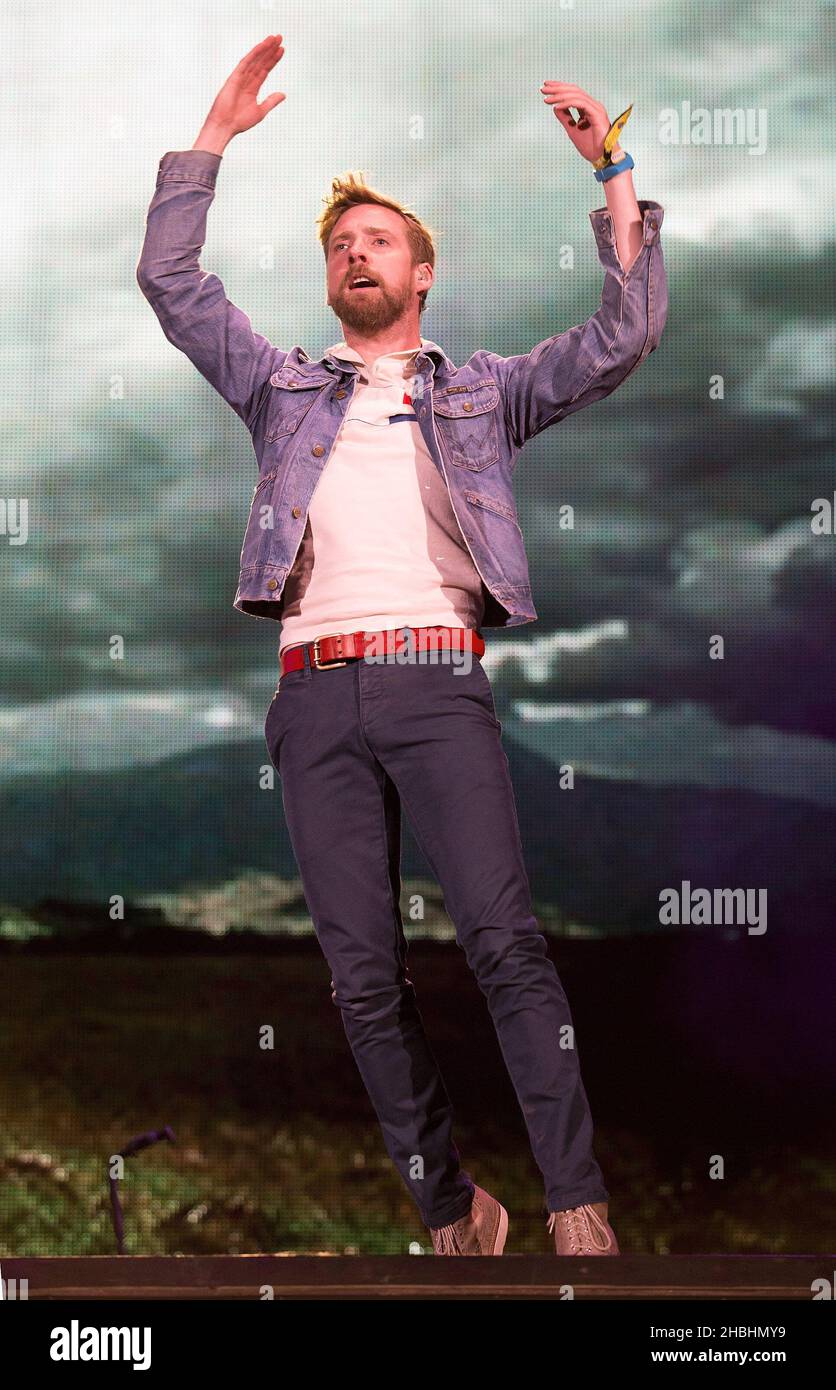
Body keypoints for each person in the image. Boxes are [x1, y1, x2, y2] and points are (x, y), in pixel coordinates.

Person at [136, 35, 668, 1256]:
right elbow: (172, 282)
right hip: (311, 699)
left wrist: (615, 174)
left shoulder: (481, 391)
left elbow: (619, 337)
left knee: (500, 938)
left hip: (435, 682)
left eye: (376, 238)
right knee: (361, 980)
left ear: (421, 271)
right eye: (338, 242)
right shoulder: (279, 389)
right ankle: (449, 1210)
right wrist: (208, 142)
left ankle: (575, 1204)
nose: (353, 250)